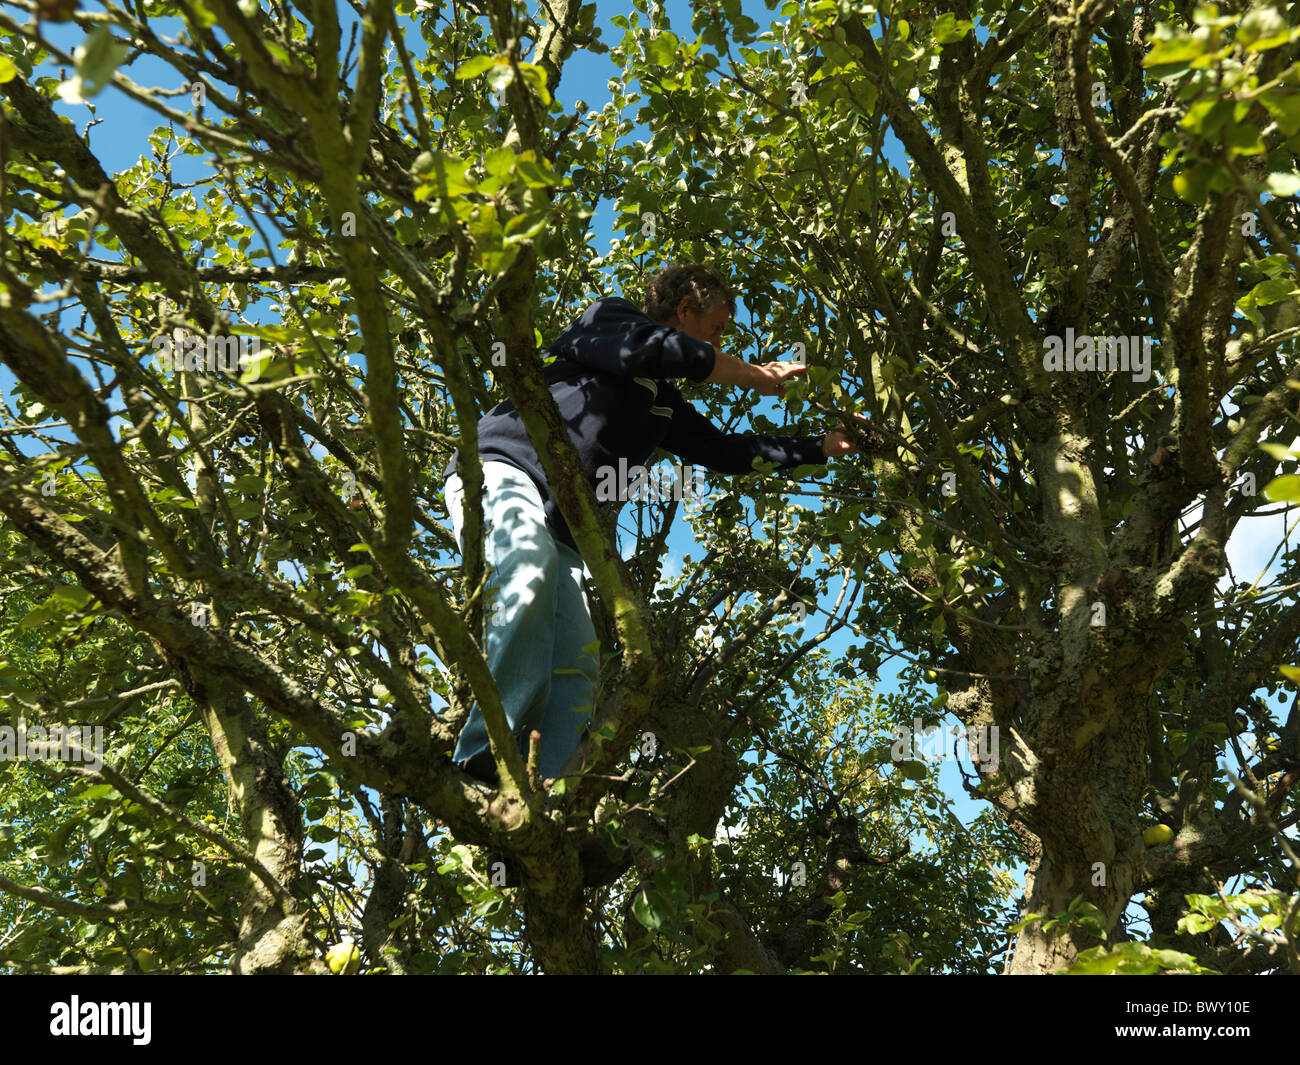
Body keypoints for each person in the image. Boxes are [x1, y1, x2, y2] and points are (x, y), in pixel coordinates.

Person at [442, 263, 866, 788]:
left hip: (568, 533)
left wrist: (820, 446)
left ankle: (534, 793)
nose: (721, 341)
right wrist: (755, 376)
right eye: (717, 327)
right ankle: (489, 749)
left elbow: (726, 452)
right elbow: (658, 351)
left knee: (579, 666)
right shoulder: (607, 320)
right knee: (526, 572)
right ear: (685, 310)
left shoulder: (663, 402)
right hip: (503, 472)